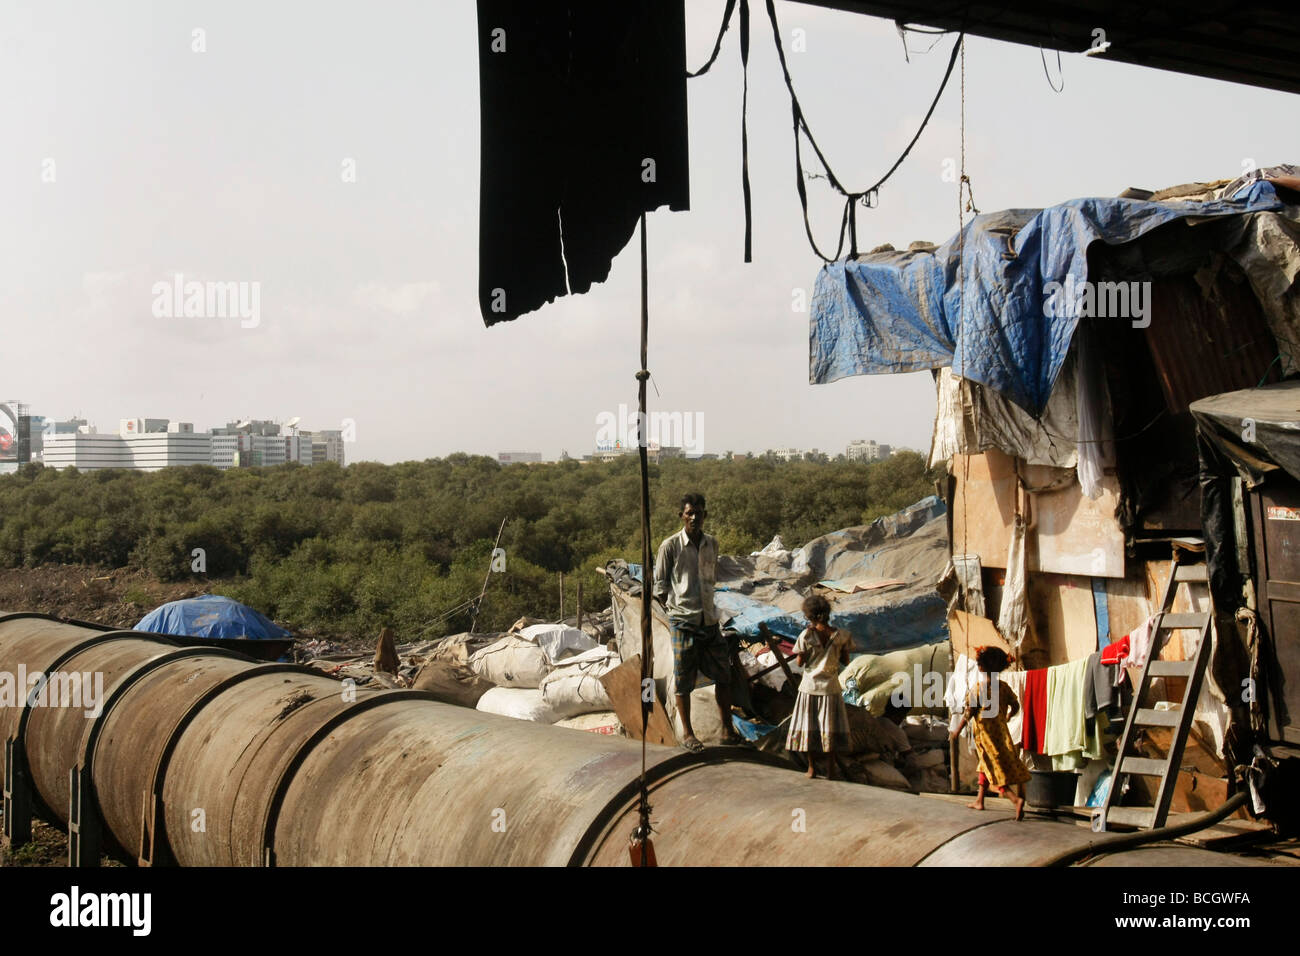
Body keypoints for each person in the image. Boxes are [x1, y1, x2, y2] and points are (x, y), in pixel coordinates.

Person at [652, 492, 742, 753]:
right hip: (684, 621)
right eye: (689, 513)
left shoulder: (712, 544)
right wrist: (676, 610)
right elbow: (660, 587)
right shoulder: (670, 546)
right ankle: (689, 734)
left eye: (698, 513)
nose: (694, 518)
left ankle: (727, 730)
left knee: (724, 675)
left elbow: (711, 578)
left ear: (705, 515)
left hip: (709, 620)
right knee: (683, 681)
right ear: (681, 516)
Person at [949, 645, 1030, 820]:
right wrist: (1008, 715)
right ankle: (980, 801)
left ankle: (1014, 799)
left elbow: (969, 713)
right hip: (1001, 734)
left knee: (992, 769)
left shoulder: (979, 689)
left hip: (986, 737)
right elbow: (1015, 706)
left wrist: (957, 731)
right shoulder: (1004, 687)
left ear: (982, 667)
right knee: (985, 767)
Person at [786, 594, 851, 779]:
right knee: (828, 730)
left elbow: (799, 662)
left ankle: (812, 769)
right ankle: (831, 771)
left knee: (809, 729)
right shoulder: (842, 636)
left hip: (809, 688)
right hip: (830, 689)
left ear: (809, 616)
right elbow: (846, 661)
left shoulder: (806, 636)